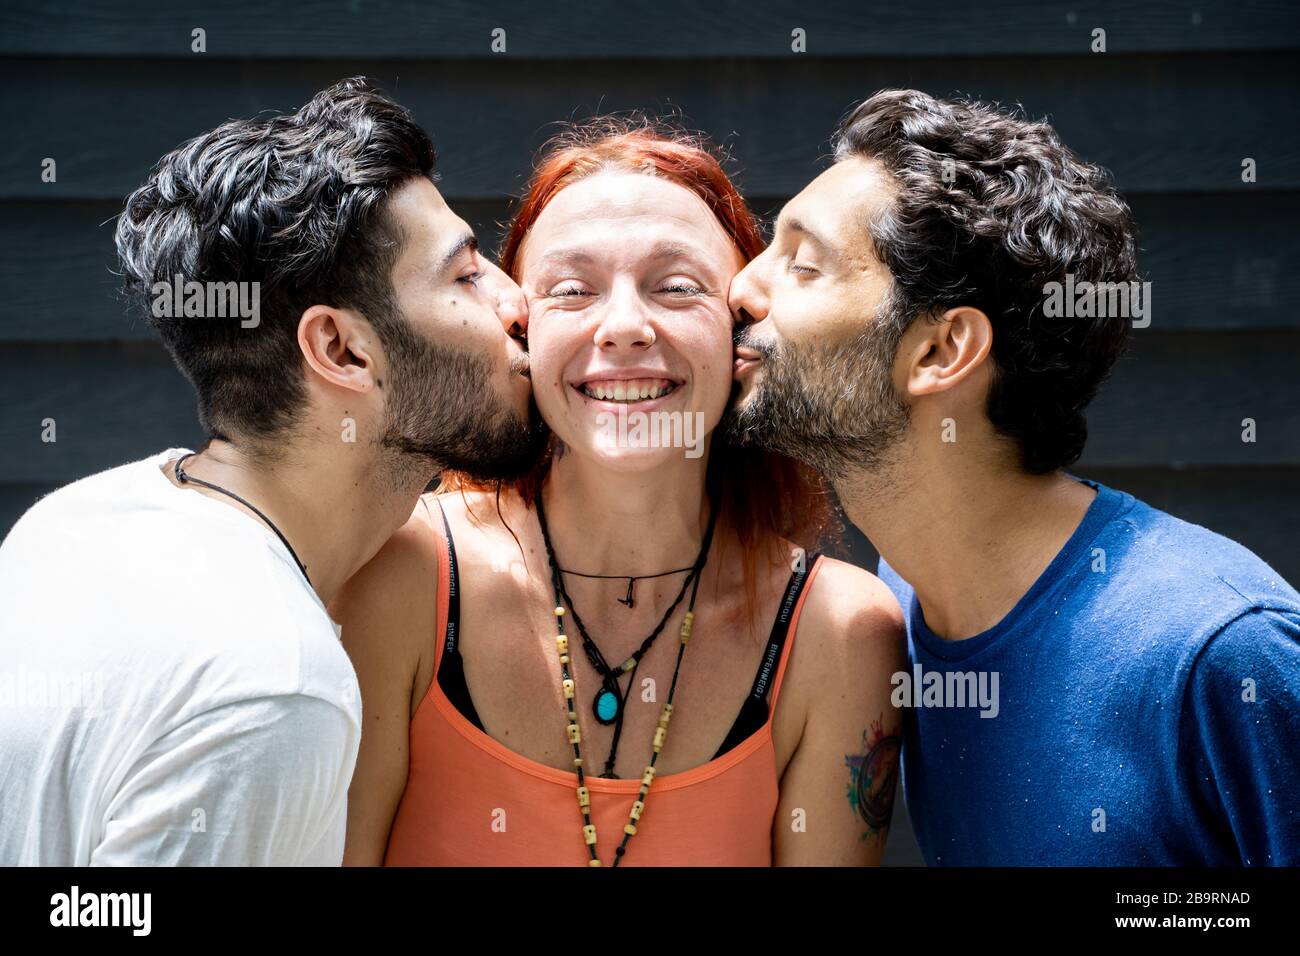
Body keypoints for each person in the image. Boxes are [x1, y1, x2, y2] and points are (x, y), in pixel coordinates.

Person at [725, 88, 1300, 865]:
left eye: (802, 265)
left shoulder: (1222, 652)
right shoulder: (903, 602)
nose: (741, 288)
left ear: (939, 351)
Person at [0, 77, 545, 865]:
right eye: (465, 276)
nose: (515, 299)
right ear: (344, 351)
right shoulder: (274, 689)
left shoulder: (71, 523)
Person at [333, 118, 906, 867]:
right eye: (573, 290)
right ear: (519, 328)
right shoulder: (401, 575)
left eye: (677, 287)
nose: (626, 327)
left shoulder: (841, 633)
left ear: (741, 330)